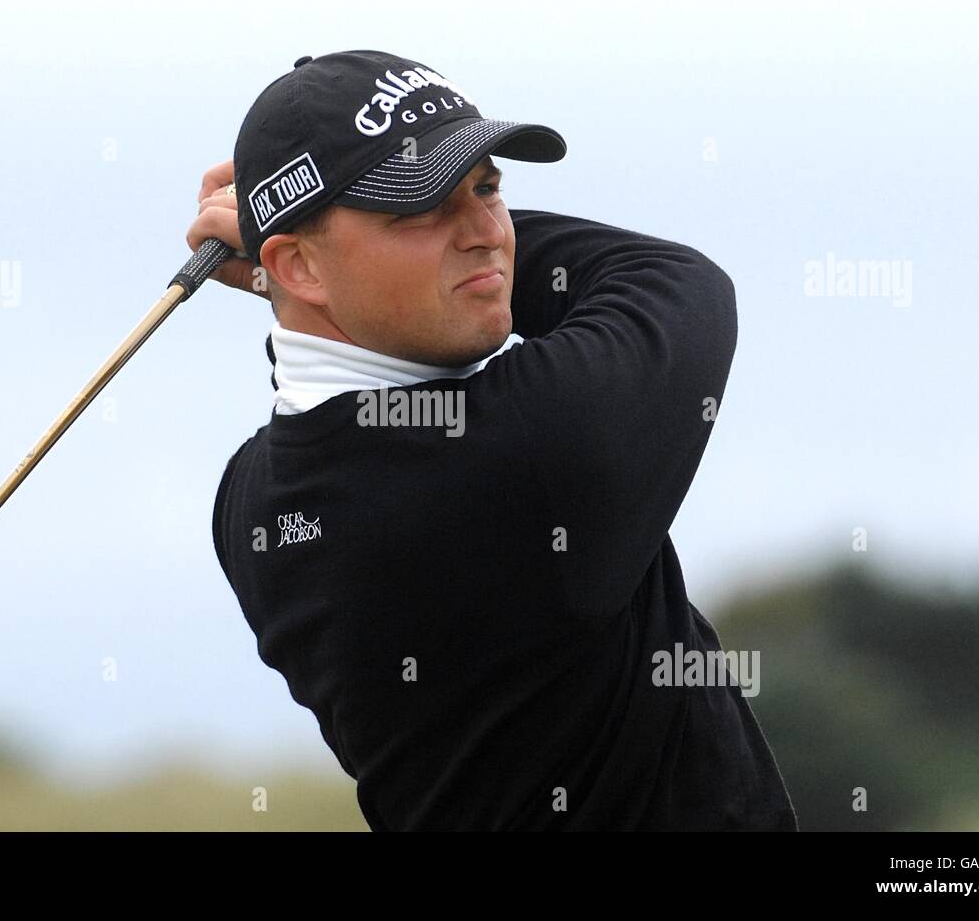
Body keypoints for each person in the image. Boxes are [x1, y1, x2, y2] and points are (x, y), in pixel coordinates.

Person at [187, 49, 798, 831]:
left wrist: (313, 263)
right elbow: (675, 283)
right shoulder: (533, 446)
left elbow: (319, 354)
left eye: (488, 188)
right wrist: (297, 259)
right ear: (298, 266)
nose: (485, 233)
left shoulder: (248, 502)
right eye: (419, 207)